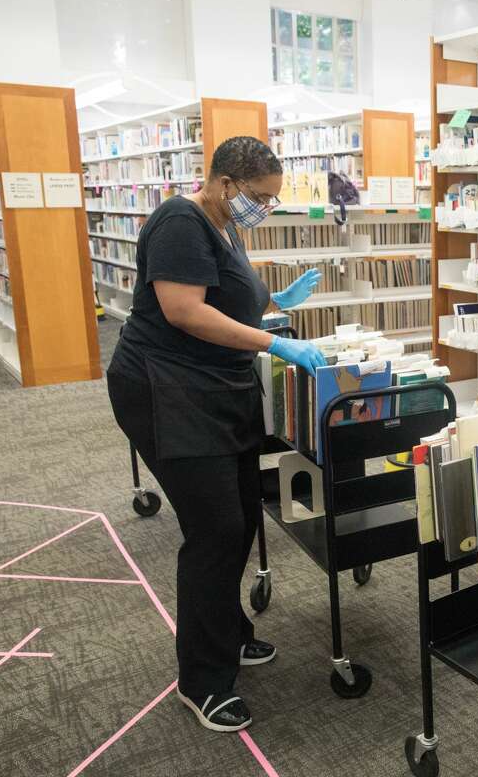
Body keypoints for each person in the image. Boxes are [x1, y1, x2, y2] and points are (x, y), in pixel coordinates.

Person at [107, 136, 329, 732]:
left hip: (216, 390)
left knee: (243, 516)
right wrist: (274, 341)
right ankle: (202, 680)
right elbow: (184, 310)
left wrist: (272, 303)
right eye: (261, 197)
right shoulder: (180, 221)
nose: (266, 208)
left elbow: (224, 294)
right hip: (166, 392)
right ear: (227, 183)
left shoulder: (223, 221)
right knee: (215, 530)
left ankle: (229, 632)